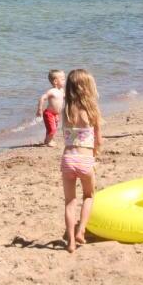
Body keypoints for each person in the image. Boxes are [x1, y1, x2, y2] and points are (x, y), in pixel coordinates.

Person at [60, 69, 102, 253]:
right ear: (88, 88)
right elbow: (98, 139)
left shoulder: (66, 110)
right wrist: (96, 154)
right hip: (85, 159)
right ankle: (81, 230)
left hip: (68, 159)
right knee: (89, 196)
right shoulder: (92, 111)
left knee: (70, 201)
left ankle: (70, 242)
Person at [36, 69, 66, 146]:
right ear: (55, 81)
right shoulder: (52, 91)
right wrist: (39, 109)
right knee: (52, 129)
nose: (65, 80)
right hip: (49, 114)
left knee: (53, 128)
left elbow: (66, 98)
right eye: (63, 79)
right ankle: (47, 141)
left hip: (56, 114)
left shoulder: (62, 90)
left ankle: (49, 139)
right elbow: (42, 98)